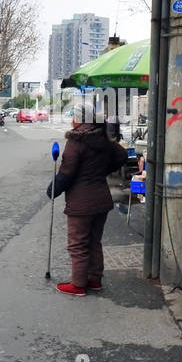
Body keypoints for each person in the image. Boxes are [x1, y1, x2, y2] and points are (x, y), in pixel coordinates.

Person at [50, 114, 126, 295]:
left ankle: (78, 285)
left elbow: (66, 173)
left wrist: (53, 190)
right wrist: (102, 170)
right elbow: (122, 155)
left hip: (81, 201)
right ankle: (94, 280)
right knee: (94, 241)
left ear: (83, 122)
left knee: (77, 243)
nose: (72, 121)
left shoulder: (76, 141)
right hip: (101, 199)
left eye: (75, 117)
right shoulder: (104, 140)